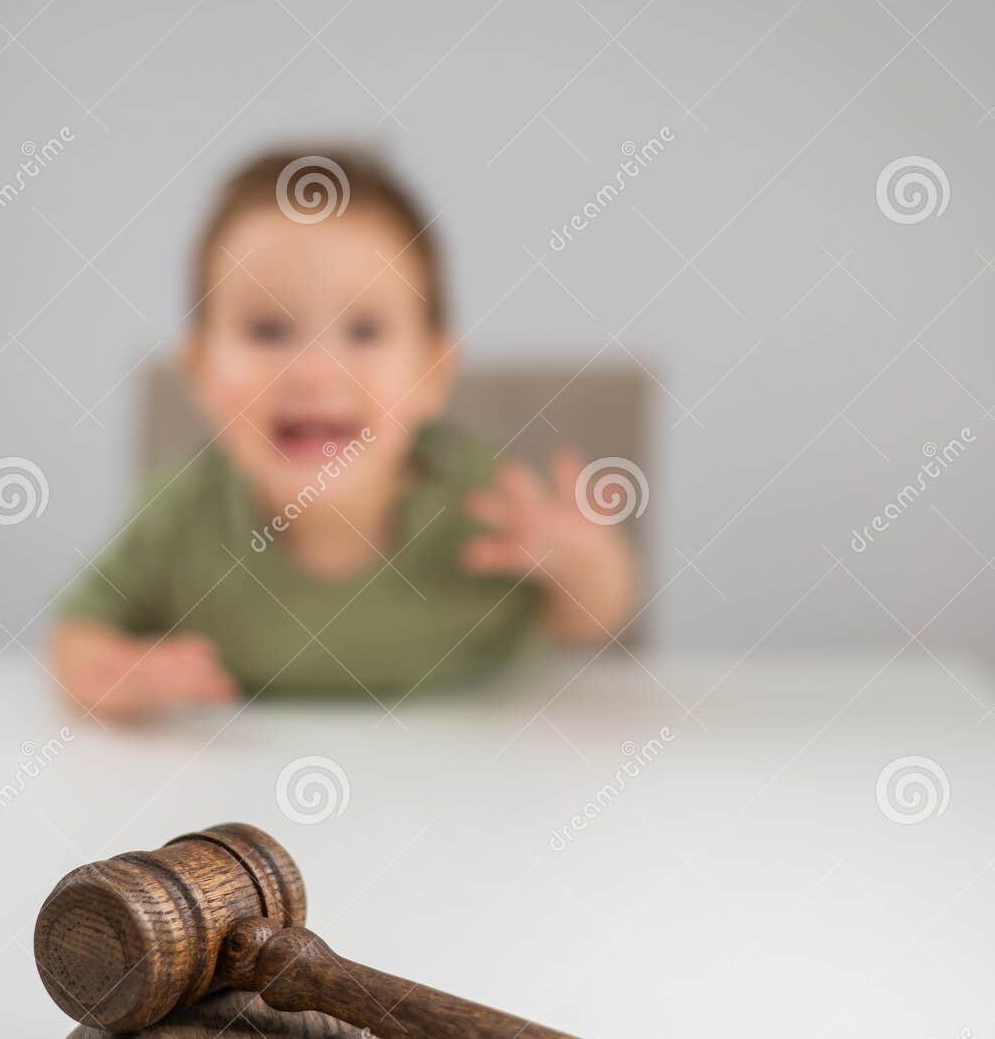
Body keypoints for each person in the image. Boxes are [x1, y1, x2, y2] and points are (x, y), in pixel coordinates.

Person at [51, 148, 635, 718]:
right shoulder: (182, 512)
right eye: (268, 330)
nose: (314, 370)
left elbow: (583, 623)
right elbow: (78, 628)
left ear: (432, 373)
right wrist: (110, 674)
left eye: (363, 330)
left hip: (469, 755)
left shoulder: (483, 501)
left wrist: (582, 565)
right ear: (200, 369)